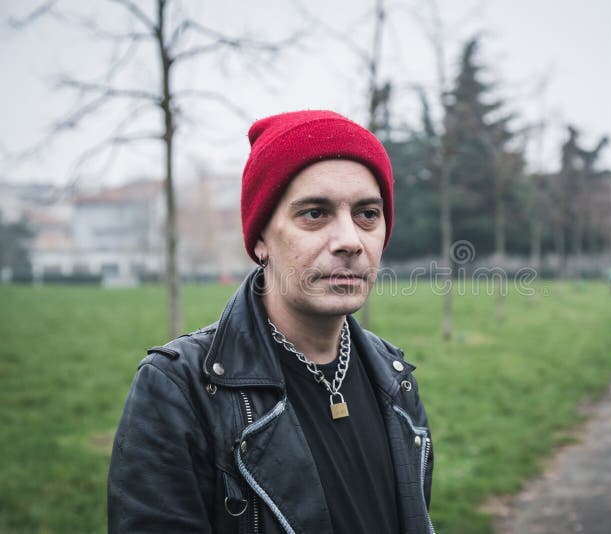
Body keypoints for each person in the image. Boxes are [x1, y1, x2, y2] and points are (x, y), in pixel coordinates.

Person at [108, 110, 434, 533]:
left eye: (367, 214)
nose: (350, 241)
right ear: (261, 237)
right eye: (315, 213)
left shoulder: (395, 378)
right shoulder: (180, 389)